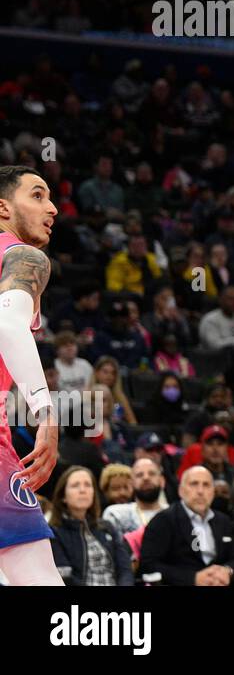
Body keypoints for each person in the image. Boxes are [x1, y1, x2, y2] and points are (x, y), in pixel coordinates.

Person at [0, 165, 62, 584]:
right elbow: (6, 322)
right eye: (37, 196)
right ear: (2, 207)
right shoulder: (22, 255)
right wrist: (46, 411)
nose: (53, 208)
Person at [139, 465, 234, 586]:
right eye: (194, 484)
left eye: (206, 485)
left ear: (213, 492)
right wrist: (193, 578)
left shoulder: (223, 520)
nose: (200, 491)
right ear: (181, 491)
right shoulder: (163, 521)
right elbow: (148, 565)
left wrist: (227, 571)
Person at [47, 466, 134, 586]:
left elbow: (125, 569)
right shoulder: (54, 531)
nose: (83, 490)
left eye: (88, 485)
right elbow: (65, 577)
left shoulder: (107, 527)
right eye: (75, 485)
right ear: (63, 497)